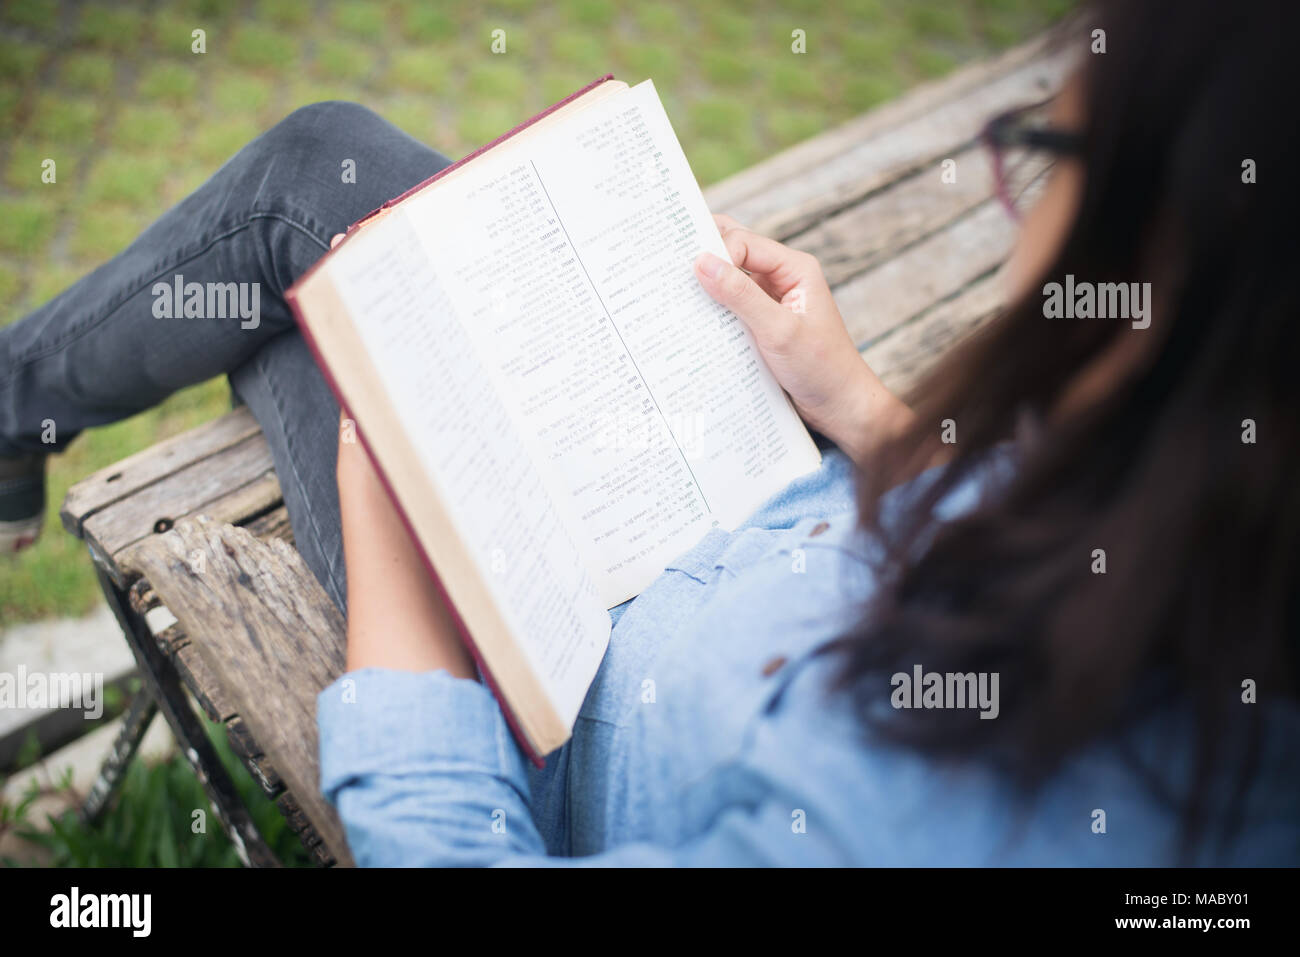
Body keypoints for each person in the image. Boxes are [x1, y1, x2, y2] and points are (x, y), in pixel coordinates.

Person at [2, 0, 1295, 865]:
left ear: (1165, 268)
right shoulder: (1222, 503)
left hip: (535, 688)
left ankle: (11, 410)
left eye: (1046, 148)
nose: (1027, 209)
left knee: (312, 265)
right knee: (330, 177)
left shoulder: (919, 829)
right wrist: (858, 403)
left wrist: (402, 561)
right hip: (718, 493)